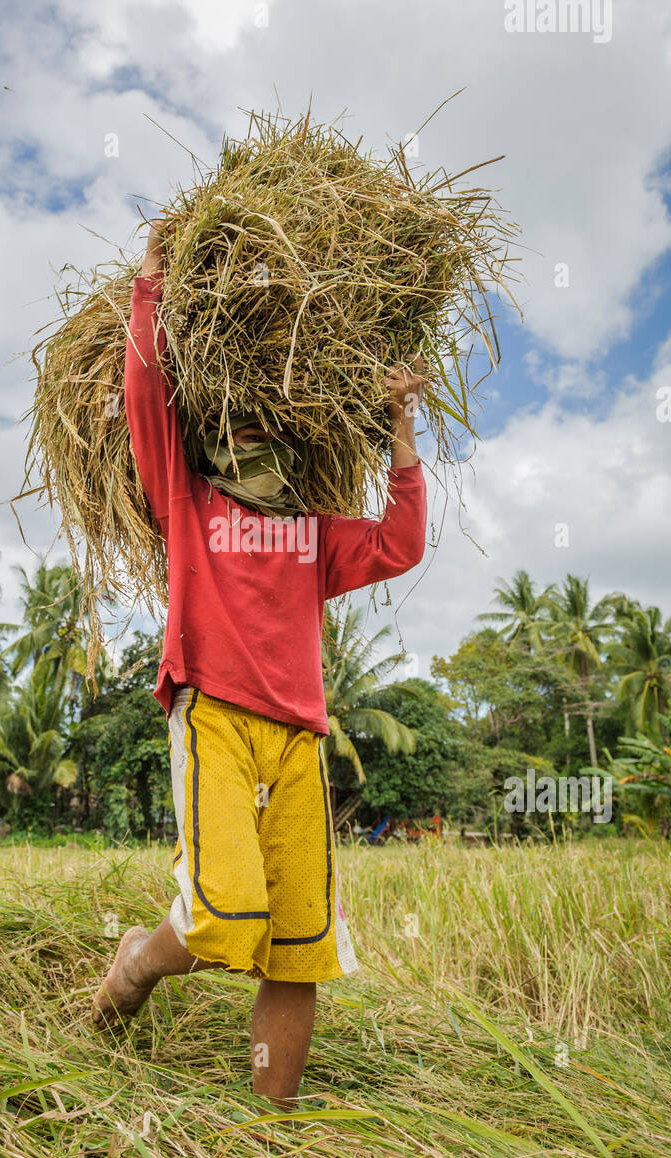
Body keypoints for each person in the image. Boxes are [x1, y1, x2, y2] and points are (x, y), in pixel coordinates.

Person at [92, 218, 427, 1110]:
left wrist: (399, 423)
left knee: (299, 941)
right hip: (213, 717)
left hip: (299, 742)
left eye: (260, 431)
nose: (245, 442)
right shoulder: (187, 503)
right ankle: (136, 960)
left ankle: (266, 1128)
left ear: (288, 447)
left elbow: (401, 542)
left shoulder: (313, 535)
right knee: (224, 911)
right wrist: (150, 287)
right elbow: (146, 398)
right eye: (229, 431)